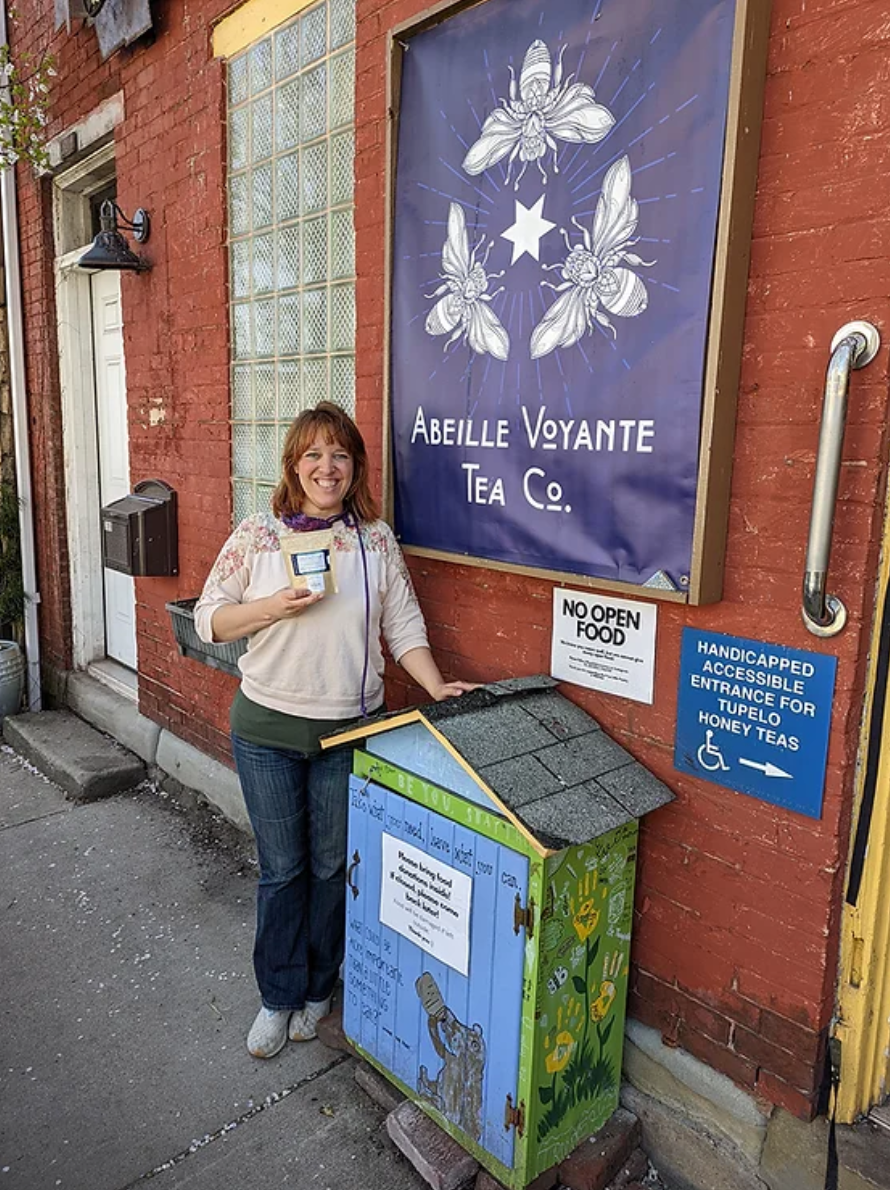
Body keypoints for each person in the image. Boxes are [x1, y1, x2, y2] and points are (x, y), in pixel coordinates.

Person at [194, 401, 475, 1059]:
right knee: (282, 870)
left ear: (355, 469)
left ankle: (319, 987)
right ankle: (276, 996)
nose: (327, 467)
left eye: (340, 456)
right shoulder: (258, 536)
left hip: (347, 732)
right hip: (265, 728)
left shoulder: (373, 541)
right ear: (294, 464)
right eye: (314, 455)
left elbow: (403, 625)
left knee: (328, 868)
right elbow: (210, 618)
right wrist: (270, 607)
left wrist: (436, 685)